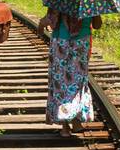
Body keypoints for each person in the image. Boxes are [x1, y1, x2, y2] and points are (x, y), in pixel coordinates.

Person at [39, 8, 102, 136]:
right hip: (81, 42)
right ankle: (77, 122)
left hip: (61, 42)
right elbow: (97, 25)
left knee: (60, 81)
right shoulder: (89, 0)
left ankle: (65, 127)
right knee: (78, 80)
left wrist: (40, 25)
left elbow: (50, 20)